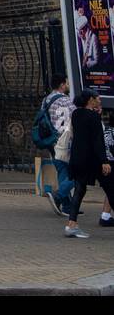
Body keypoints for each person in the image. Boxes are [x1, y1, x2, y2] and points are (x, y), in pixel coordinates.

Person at [63, 90, 113, 238]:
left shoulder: (76, 114)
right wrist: (104, 161)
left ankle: (71, 224)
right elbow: (98, 141)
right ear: (91, 100)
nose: (99, 100)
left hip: (78, 158)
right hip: (92, 160)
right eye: (97, 98)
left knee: (79, 190)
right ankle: (72, 225)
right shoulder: (93, 117)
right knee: (111, 188)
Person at [40, 74, 74, 216]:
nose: (67, 85)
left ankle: (66, 205)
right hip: (65, 140)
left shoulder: (46, 100)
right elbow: (74, 118)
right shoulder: (67, 101)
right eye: (66, 83)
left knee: (62, 170)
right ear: (61, 85)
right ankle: (59, 196)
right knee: (77, 171)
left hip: (51, 140)